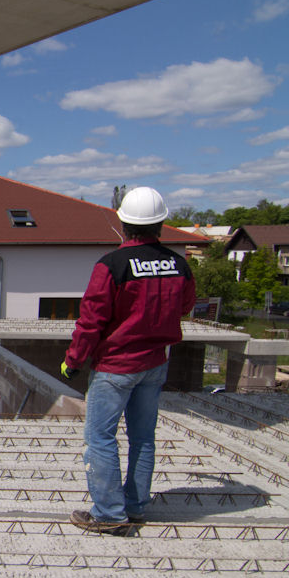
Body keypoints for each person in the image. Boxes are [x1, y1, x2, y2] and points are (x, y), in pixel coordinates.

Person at [61, 186, 196, 535]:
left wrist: (73, 361)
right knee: (142, 437)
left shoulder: (112, 265)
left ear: (123, 223)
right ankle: (135, 507)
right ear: (160, 224)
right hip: (155, 364)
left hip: (116, 366)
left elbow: (91, 321)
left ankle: (109, 514)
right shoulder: (178, 264)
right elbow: (183, 307)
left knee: (101, 438)